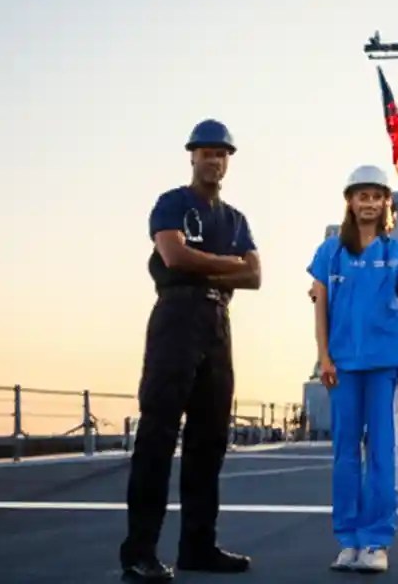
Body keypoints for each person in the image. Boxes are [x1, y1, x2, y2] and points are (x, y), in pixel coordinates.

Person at [119, 119, 258, 582]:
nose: (214, 160)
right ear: (192, 156)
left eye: (222, 153)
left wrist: (209, 269)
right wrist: (225, 265)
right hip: (176, 319)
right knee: (158, 434)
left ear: (228, 161)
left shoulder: (235, 219)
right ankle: (140, 551)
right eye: (206, 152)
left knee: (210, 439)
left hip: (219, 324)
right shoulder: (172, 203)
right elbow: (173, 256)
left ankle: (198, 546)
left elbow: (254, 276)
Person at [308, 164, 398, 574]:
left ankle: (376, 540)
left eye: (377, 196)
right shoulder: (329, 253)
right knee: (344, 455)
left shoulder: (397, 254)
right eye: (362, 196)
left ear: (386, 202)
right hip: (343, 366)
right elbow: (320, 305)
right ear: (350, 202)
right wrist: (324, 356)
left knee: (381, 454)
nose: (370, 203)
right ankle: (348, 539)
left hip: (385, 366)